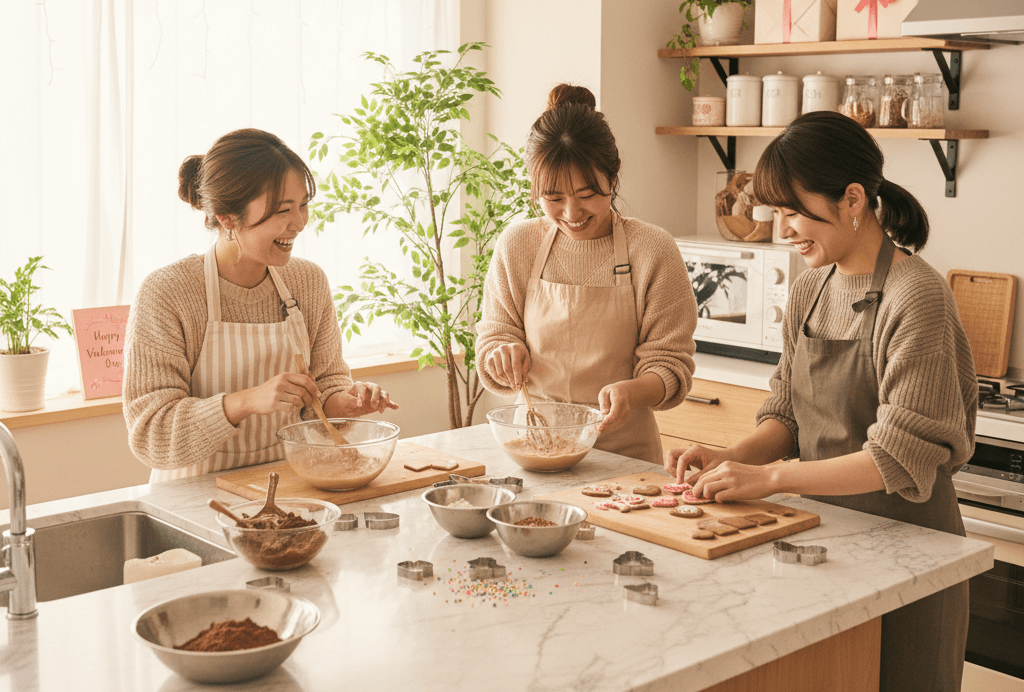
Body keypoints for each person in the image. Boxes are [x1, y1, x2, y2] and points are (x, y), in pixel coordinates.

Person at [666, 111, 977, 691]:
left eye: (793, 211)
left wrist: (769, 478)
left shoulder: (917, 296)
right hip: (820, 543)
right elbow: (787, 413)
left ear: (852, 198)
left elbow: (894, 458)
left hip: (910, 552)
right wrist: (731, 457)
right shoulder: (811, 286)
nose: (783, 230)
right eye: (776, 213)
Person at [124, 128, 398, 481]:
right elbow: (151, 435)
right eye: (283, 210)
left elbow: (324, 387)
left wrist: (345, 402)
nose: (299, 223)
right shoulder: (168, 292)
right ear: (227, 218)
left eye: (303, 205)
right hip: (193, 494)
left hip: (287, 484)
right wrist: (247, 401)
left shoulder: (309, 282)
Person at [476, 84, 698, 465]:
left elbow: (670, 365)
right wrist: (502, 354)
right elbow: (493, 340)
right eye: (553, 198)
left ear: (613, 176)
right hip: (534, 450)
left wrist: (631, 392)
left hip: (626, 459)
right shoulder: (517, 245)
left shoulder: (652, 250)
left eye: (587, 194)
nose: (572, 213)